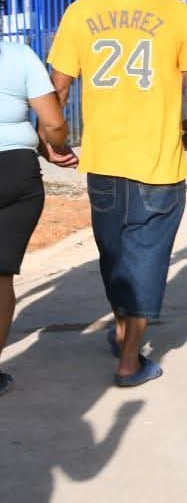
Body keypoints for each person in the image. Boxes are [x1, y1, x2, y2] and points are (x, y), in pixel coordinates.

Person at [47, 0, 187, 387]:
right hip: (157, 161)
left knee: (115, 253)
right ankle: (128, 359)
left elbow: (57, 88)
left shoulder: (81, 13)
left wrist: (54, 140)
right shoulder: (176, 13)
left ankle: (123, 331)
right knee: (146, 255)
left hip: (102, 161)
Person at [0, 33, 79, 397]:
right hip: (15, 172)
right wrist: (56, 148)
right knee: (1, 277)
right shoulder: (19, 55)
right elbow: (54, 123)